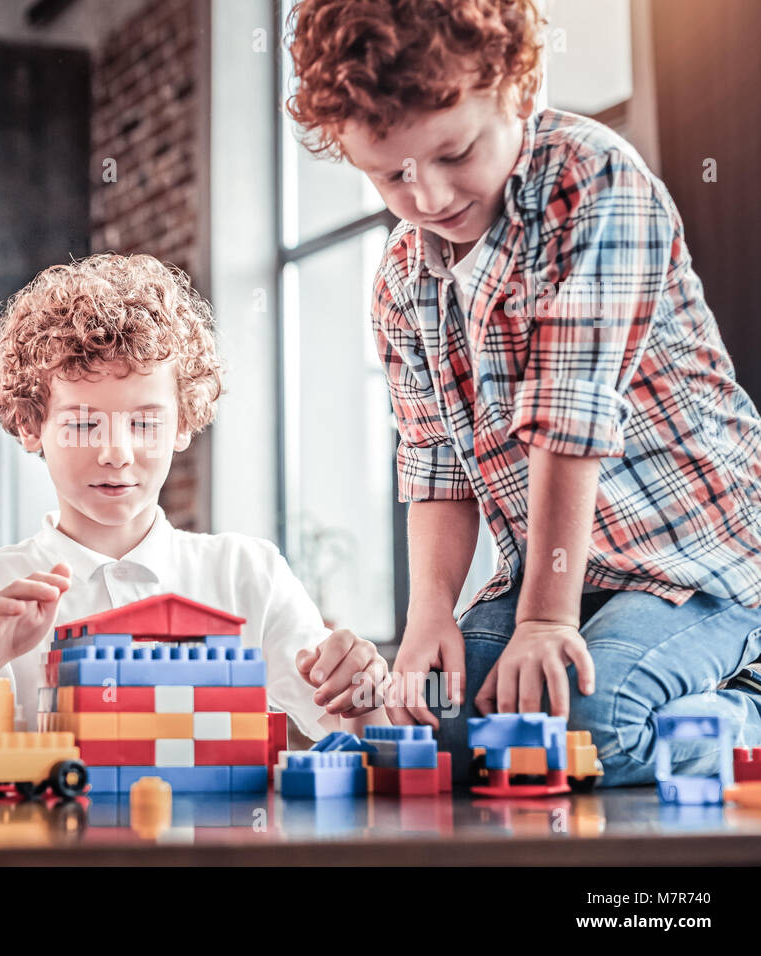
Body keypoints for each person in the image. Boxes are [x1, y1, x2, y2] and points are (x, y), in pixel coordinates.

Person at [285, 0, 761, 784]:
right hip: (564, 577)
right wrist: (428, 611)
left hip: (701, 567)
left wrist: (545, 620)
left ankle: (745, 707)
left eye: (455, 152)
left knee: (591, 730)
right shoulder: (405, 277)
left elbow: (568, 421)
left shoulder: (593, 182)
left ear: (519, 84)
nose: (430, 196)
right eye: (391, 174)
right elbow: (434, 462)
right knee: (429, 726)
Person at [0, 252, 388, 751]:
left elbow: (358, 735)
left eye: (145, 423)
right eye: (82, 424)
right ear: (33, 426)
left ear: (183, 422)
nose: (116, 453)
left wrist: (360, 691)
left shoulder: (248, 576)